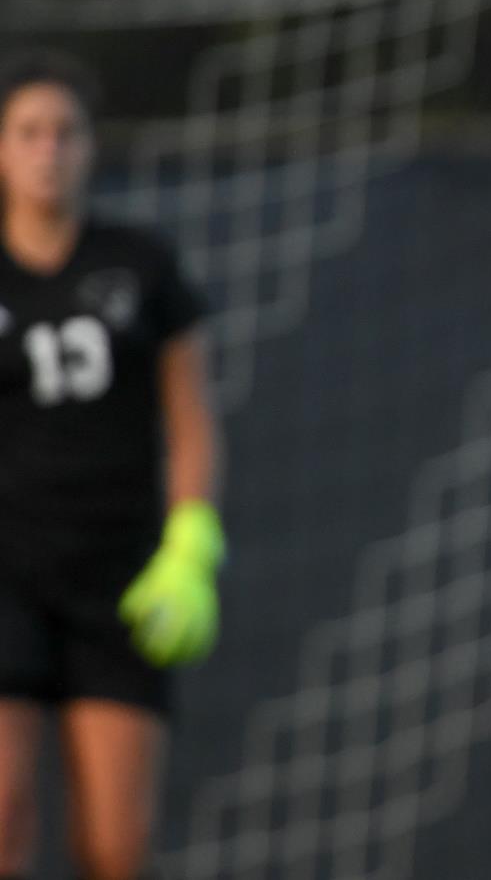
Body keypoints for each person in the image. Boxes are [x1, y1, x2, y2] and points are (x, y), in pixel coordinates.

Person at [0, 52, 226, 880]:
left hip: (121, 580)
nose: (47, 150)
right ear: (0, 148)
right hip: (7, 574)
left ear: (92, 147)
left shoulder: (141, 264)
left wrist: (190, 547)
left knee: (115, 847)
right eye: (27, 132)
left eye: (65, 132)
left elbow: (192, 419)